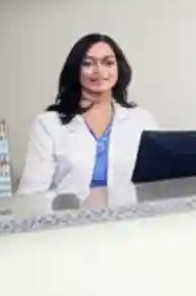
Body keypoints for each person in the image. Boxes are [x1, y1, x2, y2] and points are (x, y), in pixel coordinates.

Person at [16, 33, 158, 195]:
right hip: (69, 218)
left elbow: (156, 186)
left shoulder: (142, 120)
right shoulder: (49, 124)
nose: (99, 70)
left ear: (119, 68)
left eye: (108, 63)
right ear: (76, 70)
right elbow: (31, 193)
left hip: (130, 217)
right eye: (88, 64)